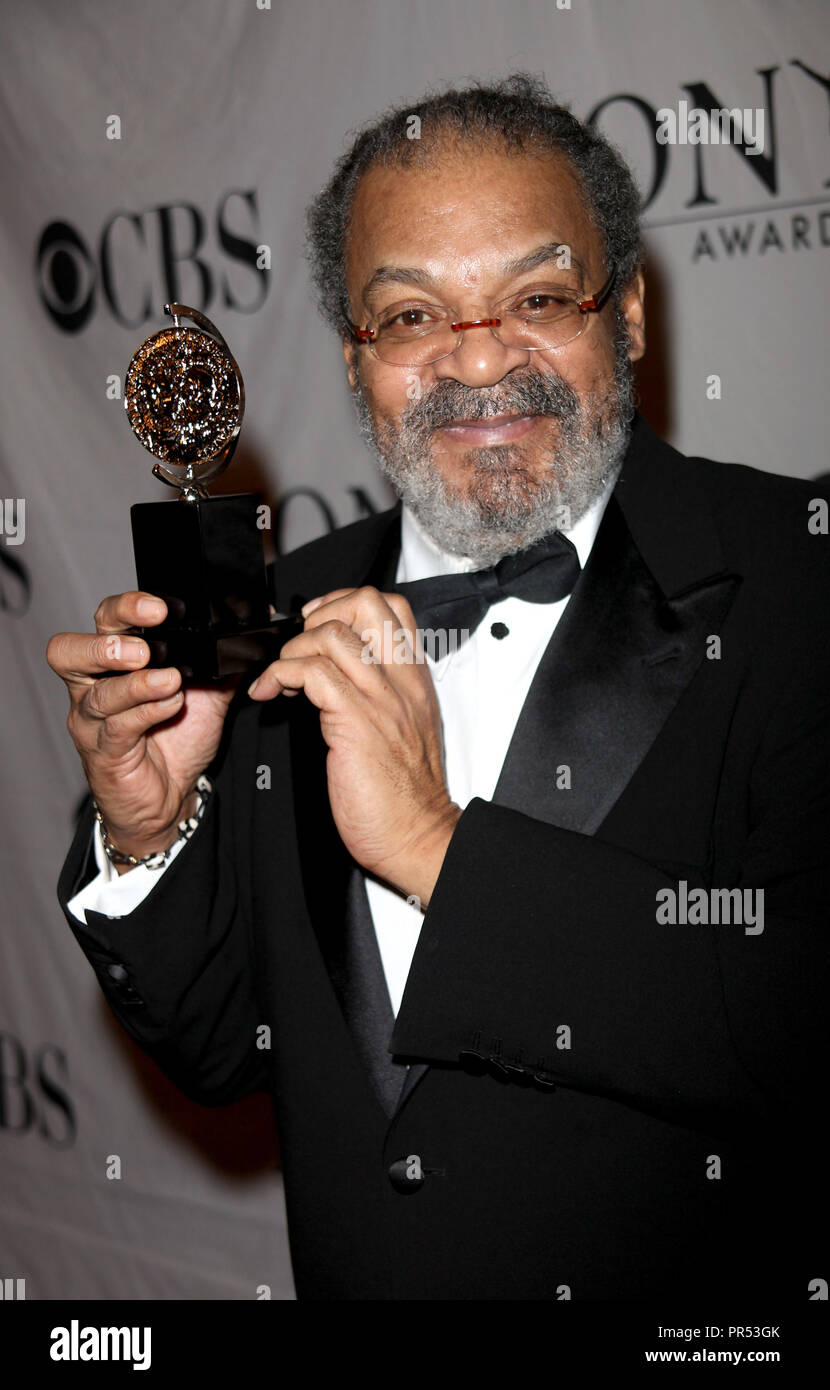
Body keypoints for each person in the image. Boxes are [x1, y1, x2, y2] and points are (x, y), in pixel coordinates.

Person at [48, 74, 827, 1300]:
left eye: (534, 297)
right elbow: (220, 1048)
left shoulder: (796, 576)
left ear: (625, 312)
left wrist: (435, 847)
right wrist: (151, 831)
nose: (476, 359)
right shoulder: (275, 610)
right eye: (408, 317)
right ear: (357, 360)